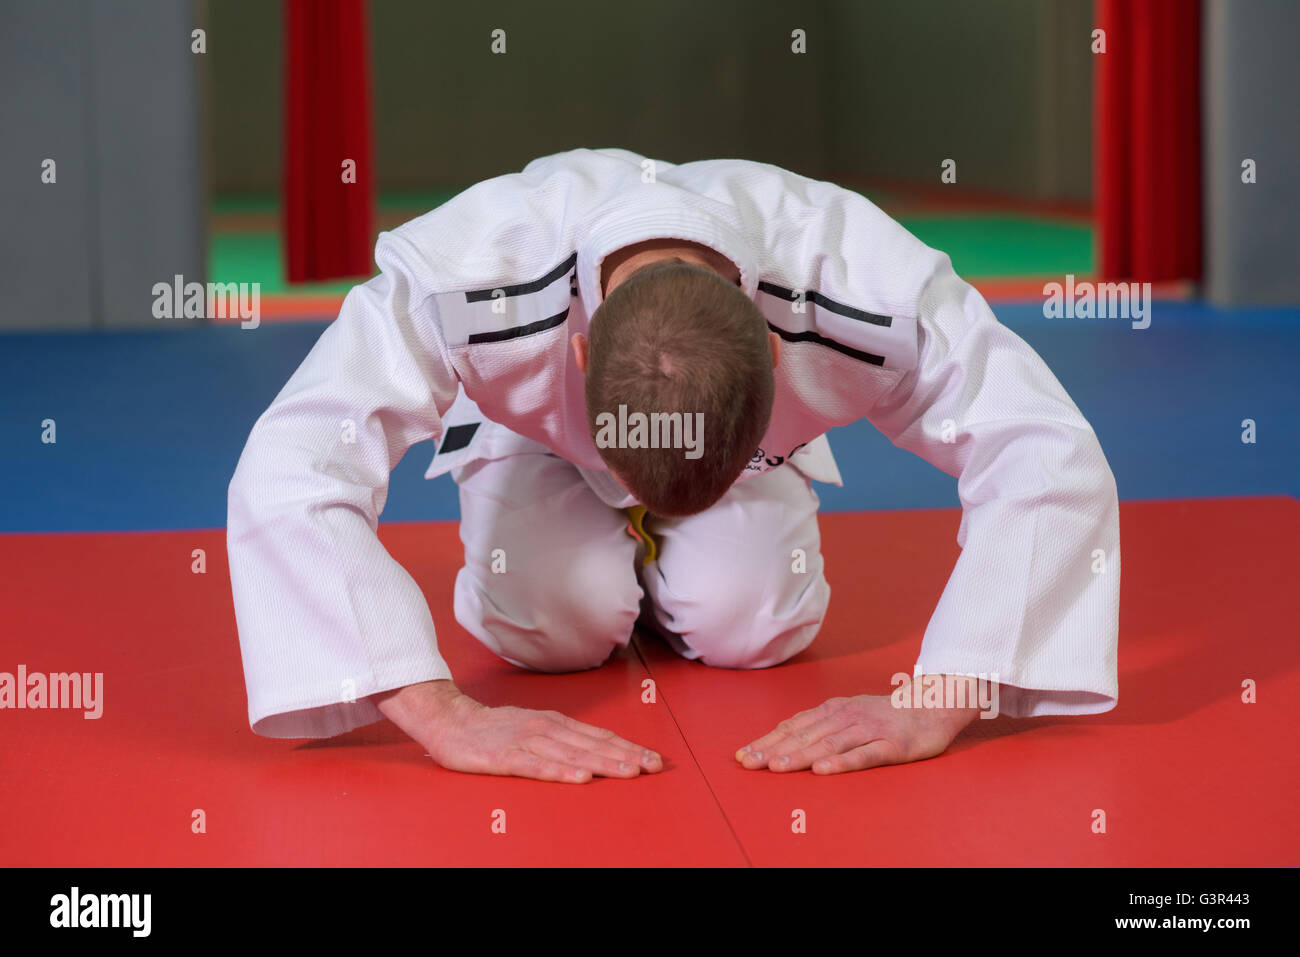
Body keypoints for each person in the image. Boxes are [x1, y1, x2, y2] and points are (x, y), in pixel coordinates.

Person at [227, 147, 1119, 783]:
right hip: (533, 437)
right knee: (555, 626)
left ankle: (722, 518)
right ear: (576, 356)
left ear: (775, 353)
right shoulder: (466, 275)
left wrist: (943, 695)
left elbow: (1047, 449)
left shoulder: (866, 281)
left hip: (748, 448)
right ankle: (555, 537)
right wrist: (440, 714)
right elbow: (289, 468)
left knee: (751, 625)